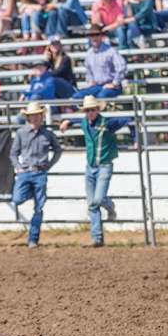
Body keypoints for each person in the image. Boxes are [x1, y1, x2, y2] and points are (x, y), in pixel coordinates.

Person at [59, 95, 133, 247]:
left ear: (98, 109)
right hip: (91, 166)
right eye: (87, 110)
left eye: (92, 110)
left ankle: (110, 207)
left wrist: (136, 140)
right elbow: (77, 121)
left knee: (98, 199)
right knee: (92, 203)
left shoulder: (108, 122)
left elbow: (130, 120)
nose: (90, 113)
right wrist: (68, 121)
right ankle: (96, 238)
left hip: (104, 165)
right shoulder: (85, 121)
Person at [10, 102, 63, 248]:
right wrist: (19, 167)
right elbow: (13, 153)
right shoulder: (21, 133)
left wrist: (48, 166)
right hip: (25, 172)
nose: (34, 117)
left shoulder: (48, 134)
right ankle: (31, 193)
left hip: (40, 172)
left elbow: (58, 150)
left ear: (41, 116)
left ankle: (33, 238)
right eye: (32, 115)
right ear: (28, 117)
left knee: (39, 208)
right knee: (17, 198)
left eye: (37, 114)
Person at [72, 24, 127, 100]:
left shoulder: (110, 51)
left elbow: (121, 66)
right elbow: (88, 70)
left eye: (97, 35)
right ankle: (87, 111)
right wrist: (90, 81)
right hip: (97, 86)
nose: (94, 38)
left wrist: (114, 83)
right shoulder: (89, 53)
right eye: (92, 35)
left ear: (101, 36)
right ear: (89, 37)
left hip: (112, 86)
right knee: (76, 97)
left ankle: (97, 111)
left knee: (100, 97)